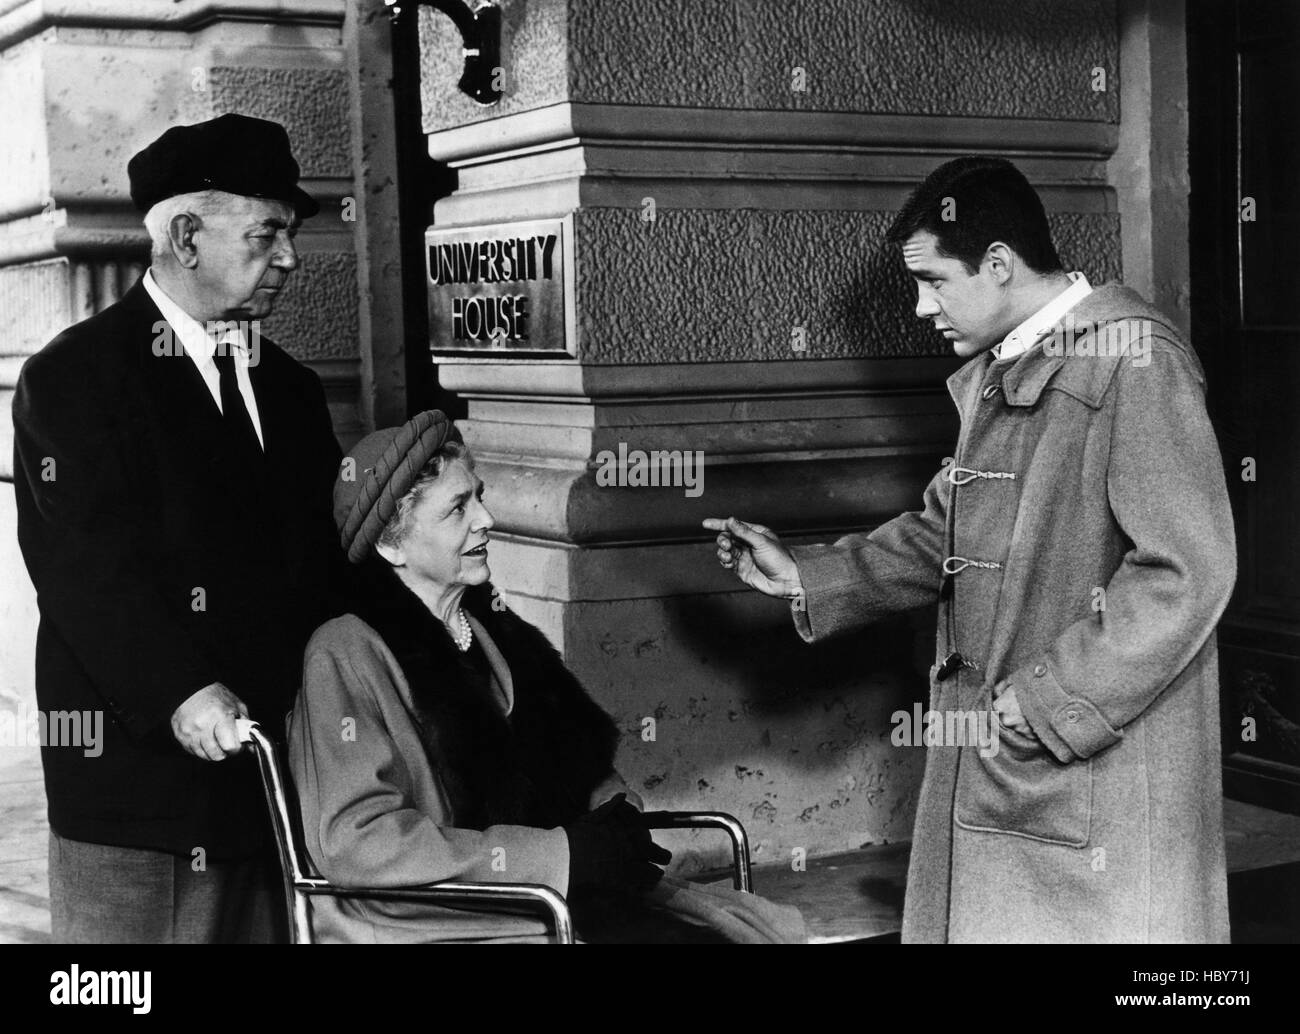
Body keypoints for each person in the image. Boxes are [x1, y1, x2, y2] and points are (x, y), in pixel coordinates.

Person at [706, 156, 1236, 944]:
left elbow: (1186, 570)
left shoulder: (1133, 363)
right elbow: (943, 535)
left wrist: (1047, 703)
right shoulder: (1012, 365)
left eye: (934, 283)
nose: (922, 309)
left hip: (1086, 777)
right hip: (1022, 773)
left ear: (998, 263)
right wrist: (807, 576)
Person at [12, 113, 344, 943]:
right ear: (186, 237)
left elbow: (326, 563)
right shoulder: (76, 377)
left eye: (292, 235)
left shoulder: (293, 389)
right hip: (142, 793)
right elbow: (84, 570)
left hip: (275, 783)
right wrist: (179, 692)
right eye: (268, 233)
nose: (291, 258)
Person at [290, 411, 806, 943]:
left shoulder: (494, 628)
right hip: (438, 916)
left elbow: (580, 765)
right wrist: (560, 855)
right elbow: (359, 841)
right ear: (391, 545)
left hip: (546, 899)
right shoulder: (346, 650)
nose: (486, 519)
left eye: (480, 497)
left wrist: (614, 817)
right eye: (457, 509)